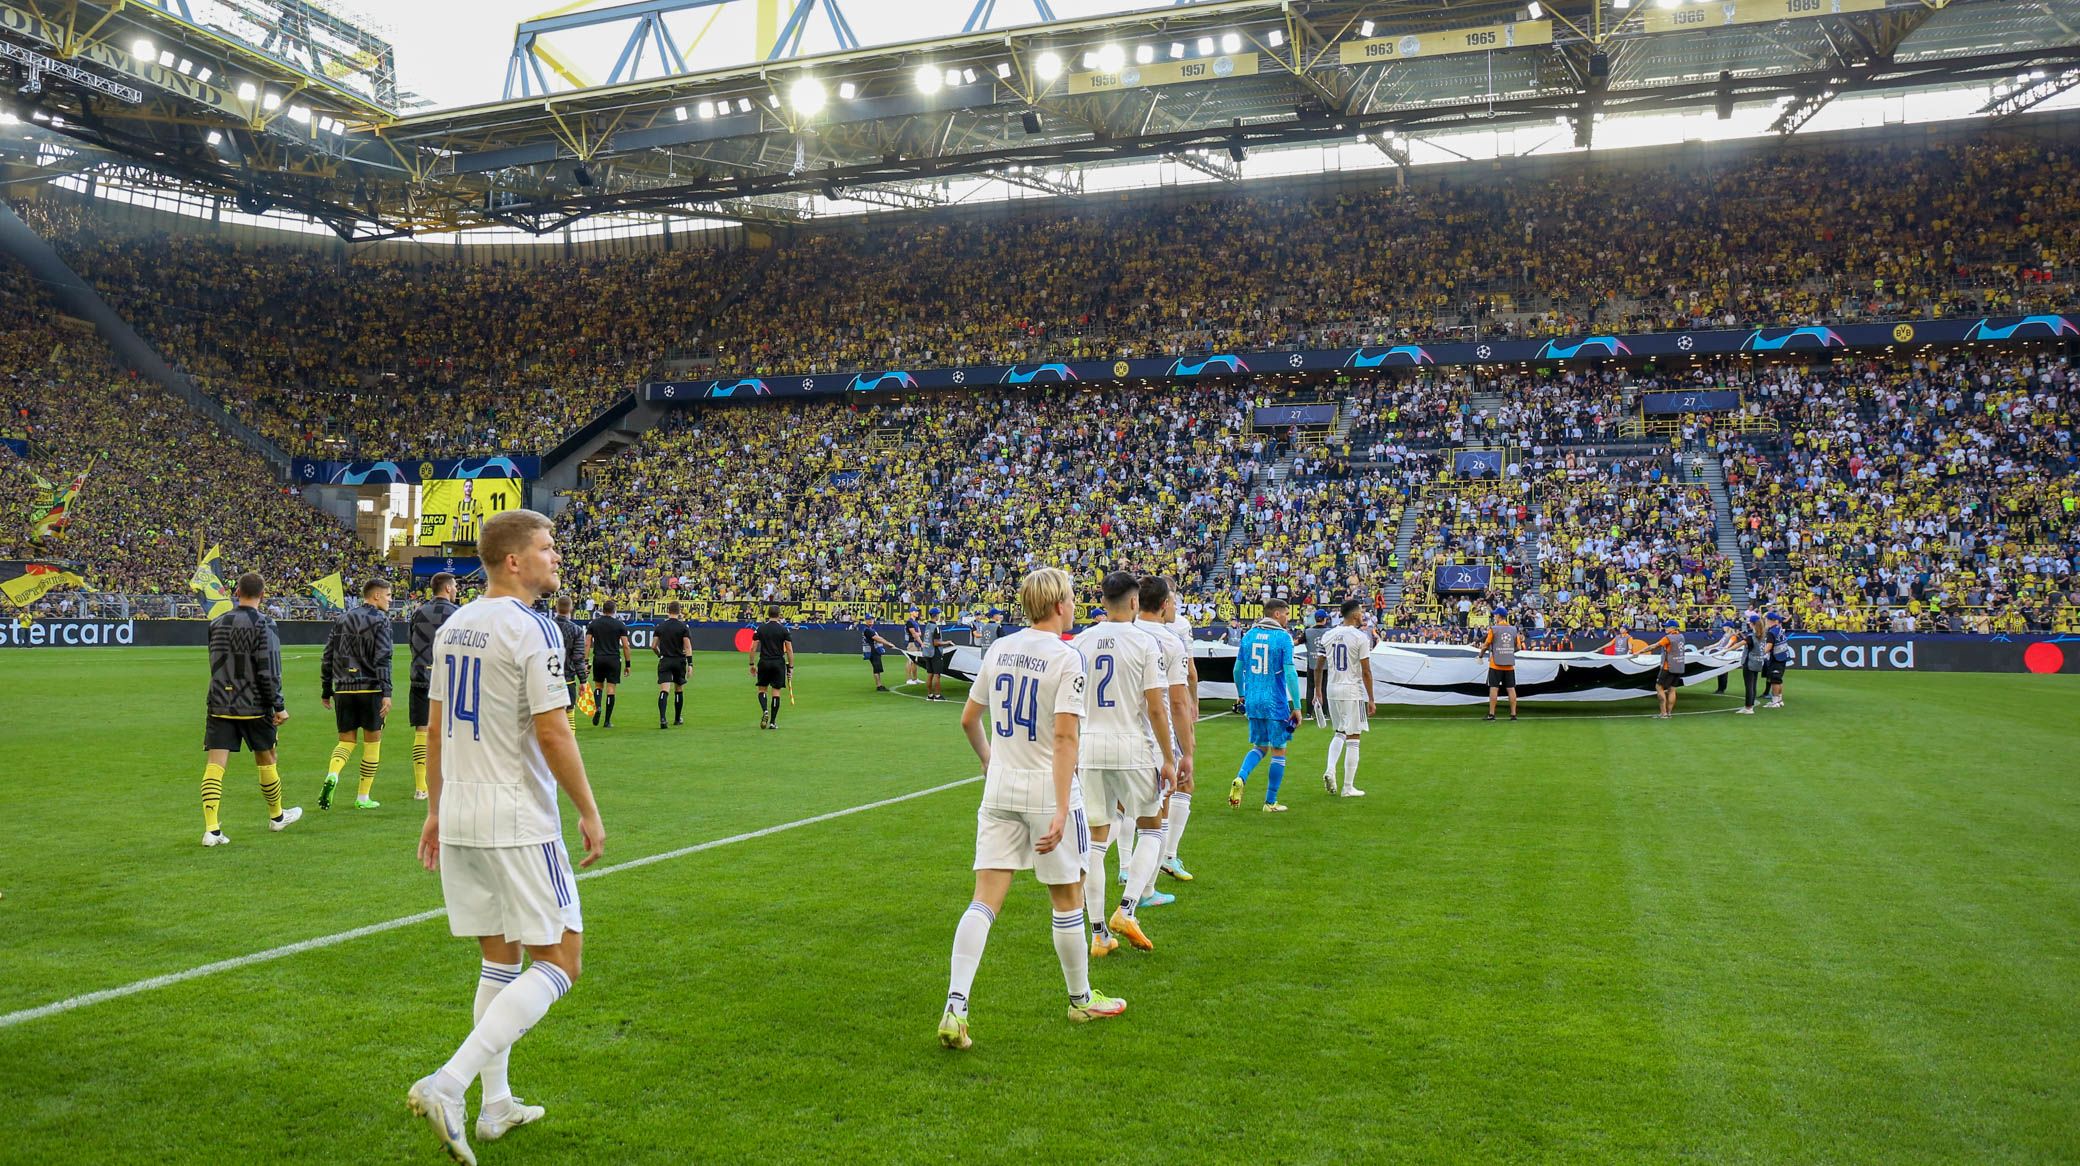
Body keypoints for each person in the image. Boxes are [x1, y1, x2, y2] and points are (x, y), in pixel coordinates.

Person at [407, 508, 606, 1165]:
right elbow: (554, 731)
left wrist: (436, 810)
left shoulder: (454, 624)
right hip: (517, 816)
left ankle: (495, 1107)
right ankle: (450, 1082)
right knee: (562, 961)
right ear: (514, 560)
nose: (556, 557)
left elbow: (435, 729)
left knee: (500, 958)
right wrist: (588, 809)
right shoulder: (530, 628)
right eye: (547, 548)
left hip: (462, 811)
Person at [939, 566, 1124, 1051]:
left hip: (1000, 789)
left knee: (984, 901)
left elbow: (968, 719)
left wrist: (988, 761)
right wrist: (1063, 808)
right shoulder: (1066, 657)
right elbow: (1065, 737)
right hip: (1047, 790)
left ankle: (956, 1006)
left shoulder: (999, 648)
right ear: (1060, 604)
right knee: (1067, 899)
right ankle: (1080, 999)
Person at [1069, 571, 1175, 957]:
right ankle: (1127, 909)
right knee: (1152, 827)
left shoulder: (1081, 641)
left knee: (1096, 841)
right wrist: (1168, 757)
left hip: (1090, 748)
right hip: (1131, 745)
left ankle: (1098, 935)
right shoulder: (1144, 642)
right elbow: (1156, 707)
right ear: (1134, 603)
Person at [199, 572, 299, 845]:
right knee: (267, 758)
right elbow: (269, 669)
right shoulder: (266, 624)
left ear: (237, 592)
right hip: (254, 704)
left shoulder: (217, 622)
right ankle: (277, 817)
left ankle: (211, 829)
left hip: (220, 701)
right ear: (263, 594)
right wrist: (278, 705)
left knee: (215, 764)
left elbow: (215, 661)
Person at [1134, 575, 1196, 897]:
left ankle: (1123, 874)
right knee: (1165, 798)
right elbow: (1177, 698)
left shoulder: (1119, 632)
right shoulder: (1172, 637)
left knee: (1112, 814)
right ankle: (1146, 886)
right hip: (1156, 730)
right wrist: (1183, 749)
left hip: (1114, 729)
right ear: (1163, 604)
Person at [319, 577, 393, 811]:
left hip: (343, 689)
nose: (391, 600)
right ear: (377, 595)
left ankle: (333, 774)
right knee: (372, 742)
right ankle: (363, 797)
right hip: (370, 688)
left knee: (346, 741)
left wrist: (326, 689)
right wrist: (387, 691)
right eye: (389, 595)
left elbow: (328, 655)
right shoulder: (381, 619)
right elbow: (383, 657)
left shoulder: (342, 618)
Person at [1230, 599, 1300, 813]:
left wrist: (1242, 695)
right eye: (1286, 614)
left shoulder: (1249, 635)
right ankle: (1270, 802)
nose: (1288, 618)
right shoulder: (1283, 638)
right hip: (1274, 701)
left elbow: (1236, 670)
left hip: (1253, 700)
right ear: (1277, 614)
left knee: (1259, 746)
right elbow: (1290, 673)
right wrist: (1296, 705)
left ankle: (1240, 777)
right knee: (1279, 750)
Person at [409, 573, 462, 801]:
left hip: (420, 676)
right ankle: (449, 780)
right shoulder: (457, 614)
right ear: (448, 588)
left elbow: (412, 641)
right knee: (451, 730)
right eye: (456, 585)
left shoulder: (418, 611)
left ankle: (421, 786)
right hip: (449, 679)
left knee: (422, 730)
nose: (457, 589)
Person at [1159, 588, 1201, 883]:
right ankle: (1168, 856)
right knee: (1181, 784)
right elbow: (1190, 673)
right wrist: (1193, 703)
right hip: (1166, 712)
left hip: (1131, 718)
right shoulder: (1177, 629)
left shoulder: (1131, 628)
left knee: (1124, 802)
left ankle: (1125, 865)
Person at [1319, 599, 1375, 797]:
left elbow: (1318, 665)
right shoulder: (1360, 637)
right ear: (1354, 615)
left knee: (1339, 731)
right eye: (1360, 612)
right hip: (1352, 690)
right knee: (1354, 737)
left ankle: (1330, 769)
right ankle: (1348, 787)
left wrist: (1318, 691)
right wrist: (1371, 698)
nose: (1362, 615)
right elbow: (1366, 671)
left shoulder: (1328, 634)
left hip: (1332, 689)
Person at [584, 601, 631, 728]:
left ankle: (598, 707)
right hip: (613, 659)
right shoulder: (619, 624)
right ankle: (607, 721)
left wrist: (585, 661)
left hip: (598, 658)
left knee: (598, 686)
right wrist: (628, 664)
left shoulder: (594, 624)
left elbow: (587, 643)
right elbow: (626, 646)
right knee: (611, 689)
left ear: (602, 610)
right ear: (614, 610)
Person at [652, 600, 692, 729]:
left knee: (664, 690)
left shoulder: (660, 627)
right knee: (678, 689)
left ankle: (663, 719)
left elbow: (653, 646)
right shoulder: (683, 627)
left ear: (667, 611)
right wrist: (690, 663)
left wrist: (659, 654)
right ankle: (677, 718)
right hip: (679, 661)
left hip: (665, 660)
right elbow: (688, 646)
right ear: (679, 611)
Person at [752, 605, 792, 729]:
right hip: (778, 662)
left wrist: (751, 664)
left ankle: (765, 710)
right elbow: (789, 650)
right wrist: (791, 667)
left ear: (768, 614)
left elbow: (753, 647)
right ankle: (773, 722)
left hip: (764, 661)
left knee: (762, 690)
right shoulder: (784, 630)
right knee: (776, 692)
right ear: (779, 614)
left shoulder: (760, 629)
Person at [553, 597, 589, 729]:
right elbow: (578, 658)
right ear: (571, 609)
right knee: (569, 719)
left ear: (556, 608)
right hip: (567, 680)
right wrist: (583, 681)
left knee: (551, 720)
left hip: (549, 680)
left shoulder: (547, 627)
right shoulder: (576, 630)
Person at [1480, 607, 1521, 722]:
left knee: (1494, 688)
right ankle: (1513, 715)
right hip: (1509, 664)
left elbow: (1486, 645)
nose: (1494, 616)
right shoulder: (1513, 629)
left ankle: (1492, 714)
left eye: (1495, 615)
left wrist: (1480, 655)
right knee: (1511, 688)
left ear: (1499, 616)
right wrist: (1508, 652)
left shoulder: (1494, 629)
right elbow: (1518, 647)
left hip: (1495, 664)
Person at [1642, 619, 1687, 719]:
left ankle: (1663, 713)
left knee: (1659, 687)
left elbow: (1655, 646)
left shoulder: (1668, 638)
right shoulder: (1681, 636)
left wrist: (1639, 652)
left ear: (1673, 628)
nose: (1665, 628)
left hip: (1668, 667)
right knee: (1672, 689)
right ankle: (1669, 713)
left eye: (1667, 627)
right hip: (1679, 666)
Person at [1304, 609, 1331, 726]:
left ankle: (1309, 713)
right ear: (1325, 619)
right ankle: (1324, 713)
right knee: (1324, 688)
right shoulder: (1329, 632)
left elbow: (1297, 642)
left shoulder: (1308, 631)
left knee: (1310, 688)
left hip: (1311, 663)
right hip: (1324, 664)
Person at [1735, 613, 1766, 714]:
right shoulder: (1762, 635)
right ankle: (1750, 705)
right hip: (1758, 662)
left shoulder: (1751, 636)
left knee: (1749, 685)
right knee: (1753, 685)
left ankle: (1748, 707)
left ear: (1752, 624)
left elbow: (1739, 644)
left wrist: (1725, 650)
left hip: (1749, 662)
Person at [859, 616, 898, 691]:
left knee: (877, 668)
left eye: (872, 619)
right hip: (872, 651)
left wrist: (888, 643)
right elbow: (877, 638)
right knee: (876, 668)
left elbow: (878, 638)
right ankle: (879, 686)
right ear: (866, 621)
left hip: (873, 650)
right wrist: (888, 643)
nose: (871, 621)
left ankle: (879, 685)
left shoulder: (869, 629)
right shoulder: (868, 630)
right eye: (869, 619)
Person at [1762, 611, 1790, 708]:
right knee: (1779, 680)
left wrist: (1761, 654)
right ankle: (1779, 700)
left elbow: (1769, 646)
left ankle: (1775, 702)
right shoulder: (1779, 629)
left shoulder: (1771, 632)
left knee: (1775, 680)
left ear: (1769, 620)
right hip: (1782, 657)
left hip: (1776, 658)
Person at [922, 608, 948, 702]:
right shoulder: (936, 627)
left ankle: (930, 695)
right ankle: (937, 696)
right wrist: (947, 642)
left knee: (929, 674)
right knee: (937, 675)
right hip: (935, 653)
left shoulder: (927, 625)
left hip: (927, 652)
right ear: (936, 615)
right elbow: (936, 643)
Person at [903, 610, 924, 687]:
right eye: (915, 611)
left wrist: (917, 635)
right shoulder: (910, 622)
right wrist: (921, 643)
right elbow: (915, 634)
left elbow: (919, 633)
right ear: (911, 612)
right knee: (910, 660)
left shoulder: (915, 622)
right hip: (911, 643)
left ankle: (915, 678)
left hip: (916, 642)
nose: (917, 613)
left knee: (915, 661)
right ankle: (908, 679)